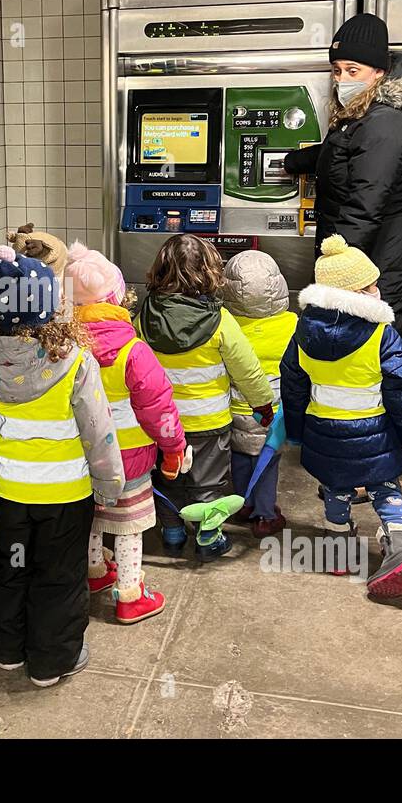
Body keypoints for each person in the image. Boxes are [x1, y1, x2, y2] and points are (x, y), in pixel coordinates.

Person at [0, 247, 124, 687]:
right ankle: (52, 661)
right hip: (65, 499)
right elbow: (99, 432)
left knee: (12, 567)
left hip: (13, 496)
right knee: (58, 576)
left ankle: (9, 652)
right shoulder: (76, 362)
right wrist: (109, 483)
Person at [281, 14, 402, 362]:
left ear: (379, 73)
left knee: (375, 364)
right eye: (337, 70)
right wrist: (296, 161)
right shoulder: (368, 114)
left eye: (352, 70)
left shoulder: (385, 120)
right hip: (374, 256)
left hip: (377, 262)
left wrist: (336, 275)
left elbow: (365, 203)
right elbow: (345, 151)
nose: (342, 79)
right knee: (365, 365)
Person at [280, 235, 402, 599]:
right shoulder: (383, 335)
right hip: (375, 434)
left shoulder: (302, 335)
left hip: (323, 433)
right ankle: (400, 546)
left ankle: (337, 553)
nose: (377, 289)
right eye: (370, 285)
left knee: (336, 486)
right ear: (356, 292)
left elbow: (294, 388)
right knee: (385, 487)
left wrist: (297, 433)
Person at [65, 242, 186, 625]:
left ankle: (96, 572)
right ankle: (131, 596)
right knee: (130, 525)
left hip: (80, 455)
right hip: (129, 459)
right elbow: (159, 409)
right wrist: (174, 449)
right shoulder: (133, 351)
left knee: (91, 516)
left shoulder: (63, 345)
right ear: (118, 298)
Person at [135, 234, 275, 561]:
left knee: (167, 480)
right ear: (211, 271)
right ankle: (208, 536)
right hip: (209, 424)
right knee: (209, 485)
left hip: (160, 425)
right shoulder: (220, 321)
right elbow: (248, 370)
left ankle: (171, 533)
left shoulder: (144, 317)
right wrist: (263, 403)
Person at [218, 250, 298, 538]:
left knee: (239, 456)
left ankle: (244, 504)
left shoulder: (225, 322)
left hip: (234, 408)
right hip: (272, 411)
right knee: (266, 462)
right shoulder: (291, 323)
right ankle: (264, 515)